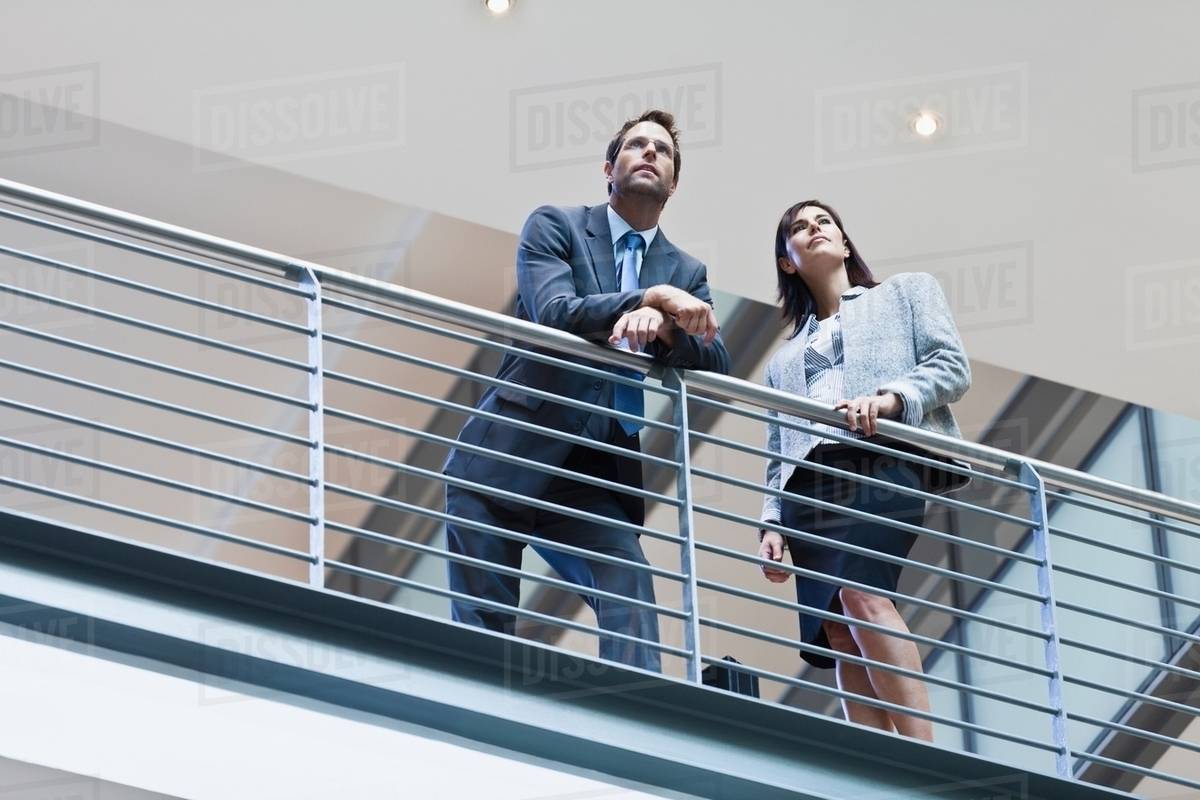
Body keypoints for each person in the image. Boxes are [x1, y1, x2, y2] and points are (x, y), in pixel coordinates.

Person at [443, 109, 730, 673]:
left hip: (596, 473)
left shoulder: (687, 270)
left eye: (663, 151)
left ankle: (640, 724)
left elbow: (715, 356)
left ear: (674, 184)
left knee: (629, 586)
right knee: (484, 645)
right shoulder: (556, 225)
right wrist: (649, 299)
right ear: (608, 168)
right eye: (637, 145)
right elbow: (553, 312)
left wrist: (665, 322)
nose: (650, 153)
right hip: (505, 457)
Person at [757, 199, 970, 740]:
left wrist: (894, 397)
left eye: (824, 222)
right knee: (838, 629)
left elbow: (951, 366)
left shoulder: (904, 293)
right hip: (809, 491)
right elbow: (778, 448)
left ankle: (926, 758)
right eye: (799, 229)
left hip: (880, 459)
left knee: (862, 595)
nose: (814, 230)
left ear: (845, 242)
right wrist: (771, 521)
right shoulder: (782, 361)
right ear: (788, 260)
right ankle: (880, 768)